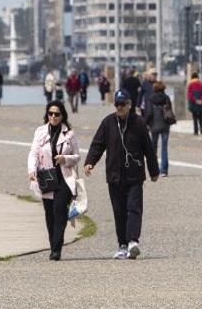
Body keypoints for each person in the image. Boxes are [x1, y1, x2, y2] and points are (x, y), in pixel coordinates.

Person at [84, 89, 159, 260]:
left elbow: (149, 150)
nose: (120, 107)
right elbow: (97, 145)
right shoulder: (108, 123)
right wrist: (90, 162)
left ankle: (133, 241)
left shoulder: (139, 124)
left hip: (134, 176)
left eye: (123, 104)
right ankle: (122, 245)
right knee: (119, 212)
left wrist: (154, 172)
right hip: (114, 176)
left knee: (133, 209)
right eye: (117, 104)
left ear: (129, 105)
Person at [27, 100, 80, 261]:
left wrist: (65, 158)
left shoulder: (69, 134)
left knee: (59, 210)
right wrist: (32, 170)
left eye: (57, 114)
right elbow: (34, 153)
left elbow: (77, 157)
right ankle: (53, 245)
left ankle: (57, 248)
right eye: (51, 113)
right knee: (49, 214)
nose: (53, 117)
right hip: (47, 177)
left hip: (64, 177)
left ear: (62, 115)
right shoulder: (40, 132)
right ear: (47, 115)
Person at [141, 80, 174, 177]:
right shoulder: (167, 98)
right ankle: (164, 170)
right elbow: (170, 111)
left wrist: (145, 122)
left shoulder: (151, 99)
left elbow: (149, 113)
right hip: (165, 125)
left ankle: (154, 170)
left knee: (153, 148)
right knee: (164, 148)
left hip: (154, 126)